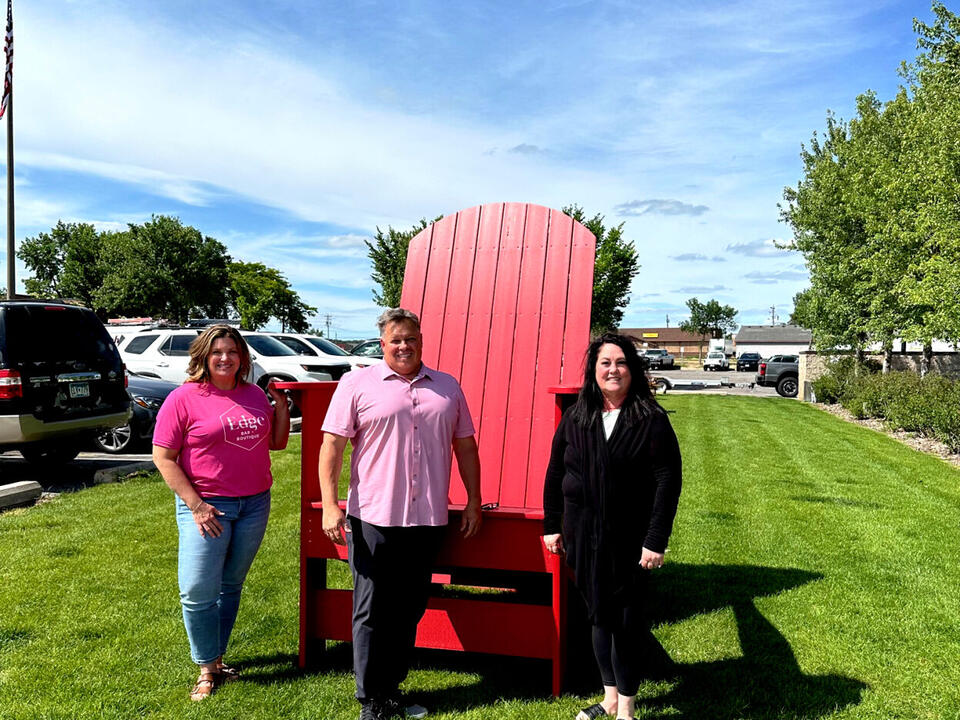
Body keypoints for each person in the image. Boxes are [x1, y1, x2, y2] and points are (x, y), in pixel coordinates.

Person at [319, 308, 482, 720]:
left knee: (410, 607)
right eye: (395, 340)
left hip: (427, 517)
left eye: (410, 338)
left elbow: (465, 446)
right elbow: (332, 448)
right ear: (382, 343)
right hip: (373, 516)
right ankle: (370, 700)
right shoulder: (357, 384)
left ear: (421, 340)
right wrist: (331, 504)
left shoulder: (446, 387)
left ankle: (390, 690)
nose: (404, 346)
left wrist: (474, 499)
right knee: (372, 609)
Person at [542, 333, 682, 720]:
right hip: (582, 537)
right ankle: (609, 699)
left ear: (632, 370)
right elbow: (555, 473)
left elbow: (668, 481)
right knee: (599, 615)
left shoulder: (650, 420)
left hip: (630, 539)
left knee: (627, 620)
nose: (613, 370)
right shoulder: (577, 417)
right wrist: (552, 525)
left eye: (620, 362)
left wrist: (655, 540)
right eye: (605, 363)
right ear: (594, 371)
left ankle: (628, 710)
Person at [152, 324, 290, 701]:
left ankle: (217, 662)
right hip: (206, 507)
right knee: (197, 590)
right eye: (217, 352)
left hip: (254, 504)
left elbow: (277, 444)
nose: (225, 358)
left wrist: (279, 408)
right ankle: (205, 667)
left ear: (243, 358)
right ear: (203, 357)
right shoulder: (184, 398)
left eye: (232, 351)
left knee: (230, 586)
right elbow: (162, 457)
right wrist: (195, 506)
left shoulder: (254, 396)